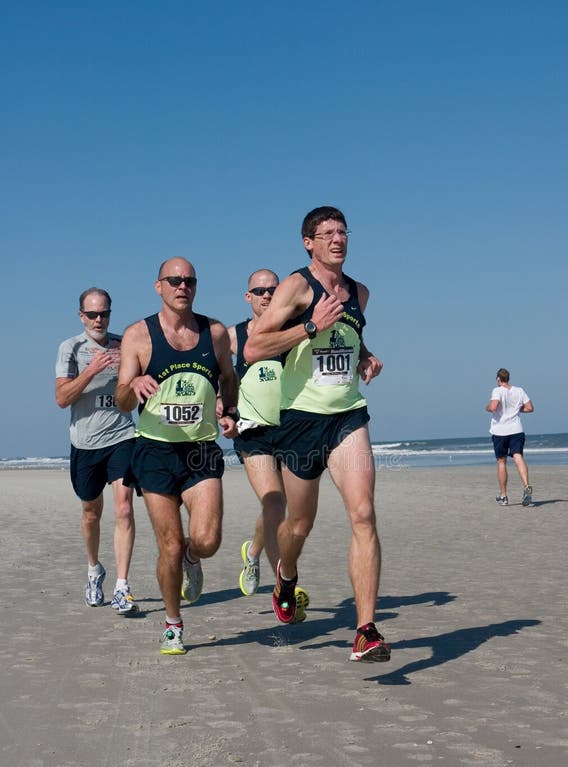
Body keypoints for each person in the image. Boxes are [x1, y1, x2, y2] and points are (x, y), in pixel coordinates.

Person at [244, 206, 390, 663]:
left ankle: (366, 630)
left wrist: (364, 356)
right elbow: (253, 347)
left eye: (342, 232)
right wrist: (309, 326)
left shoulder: (358, 292)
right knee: (299, 524)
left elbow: (350, 334)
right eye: (326, 233)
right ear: (308, 242)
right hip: (301, 421)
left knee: (363, 514)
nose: (337, 239)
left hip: (348, 415)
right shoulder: (296, 287)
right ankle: (285, 575)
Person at [115, 257, 238, 655]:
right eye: (174, 280)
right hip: (153, 450)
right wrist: (133, 382)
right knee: (167, 544)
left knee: (207, 539)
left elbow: (229, 377)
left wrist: (229, 408)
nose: (182, 286)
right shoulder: (138, 335)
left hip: (200, 450)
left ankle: (192, 556)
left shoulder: (214, 332)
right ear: (159, 286)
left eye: (189, 281)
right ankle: (173, 624)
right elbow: (120, 402)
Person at [227, 269, 310, 620]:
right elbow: (214, 370)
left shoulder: (293, 330)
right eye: (259, 290)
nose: (266, 295)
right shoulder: (232, 336)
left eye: (272, 290)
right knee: (274, 502)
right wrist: (220, 400)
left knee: (280, 507)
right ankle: (284, 588)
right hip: (252, 432)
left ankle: (253, 552)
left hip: (290, 429)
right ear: (247, 296)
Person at [55, 288, 138, 614]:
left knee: (124, 508)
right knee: (91, 513)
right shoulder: (70, 347)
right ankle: (94, 570)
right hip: (85, 442)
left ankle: (122, 586)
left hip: (122, 435)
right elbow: (62, 398)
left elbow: (137, 386)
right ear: (81, 316)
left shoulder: (124, 344)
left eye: (104, 313)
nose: (99, 320)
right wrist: (92, 369)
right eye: (92, 314)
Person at [486, 368, 534, 506]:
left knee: (502, 462)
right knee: (518, 456)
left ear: (498, 380)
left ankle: (504, 496)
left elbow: (494, 407)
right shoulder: (519, 390)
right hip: (516, 430)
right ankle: (526, 486)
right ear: (509, 378)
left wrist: (487, 407)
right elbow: (530, 408)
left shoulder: (498, 390)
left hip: (500, 431)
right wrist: (516, 409)